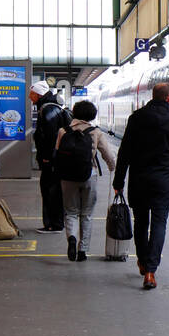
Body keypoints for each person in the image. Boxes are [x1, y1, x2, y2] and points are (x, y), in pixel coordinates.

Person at [112, 82, 169, 290]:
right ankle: (151, 271)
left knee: (140, 221)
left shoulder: (136, 118)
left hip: (139, 178)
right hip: (163, 181)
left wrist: (118, 181)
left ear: (153, 96)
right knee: (159, 223)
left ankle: (141, 261)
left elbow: (124, 153)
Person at [54, 100, 117, 262]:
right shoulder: (95, 132)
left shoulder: (63, 131)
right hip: (89, 175)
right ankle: (83, 250)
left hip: (67, 177)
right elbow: (108, 156)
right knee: (87, 214)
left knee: (71, 212)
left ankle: (72, 239)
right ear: (92, 115)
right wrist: (113, 169)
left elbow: (57, 152)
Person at [29, 81, 71, 234]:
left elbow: (51, 136)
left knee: (50, 190)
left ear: (38, 94)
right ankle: (55, 222)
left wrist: (47, 157)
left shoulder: (48, 110)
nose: (29, 96)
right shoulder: (50, 107)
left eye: (31, 93)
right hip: (54, 158)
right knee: (52, 190)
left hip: (51, 160)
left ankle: (54, 224)